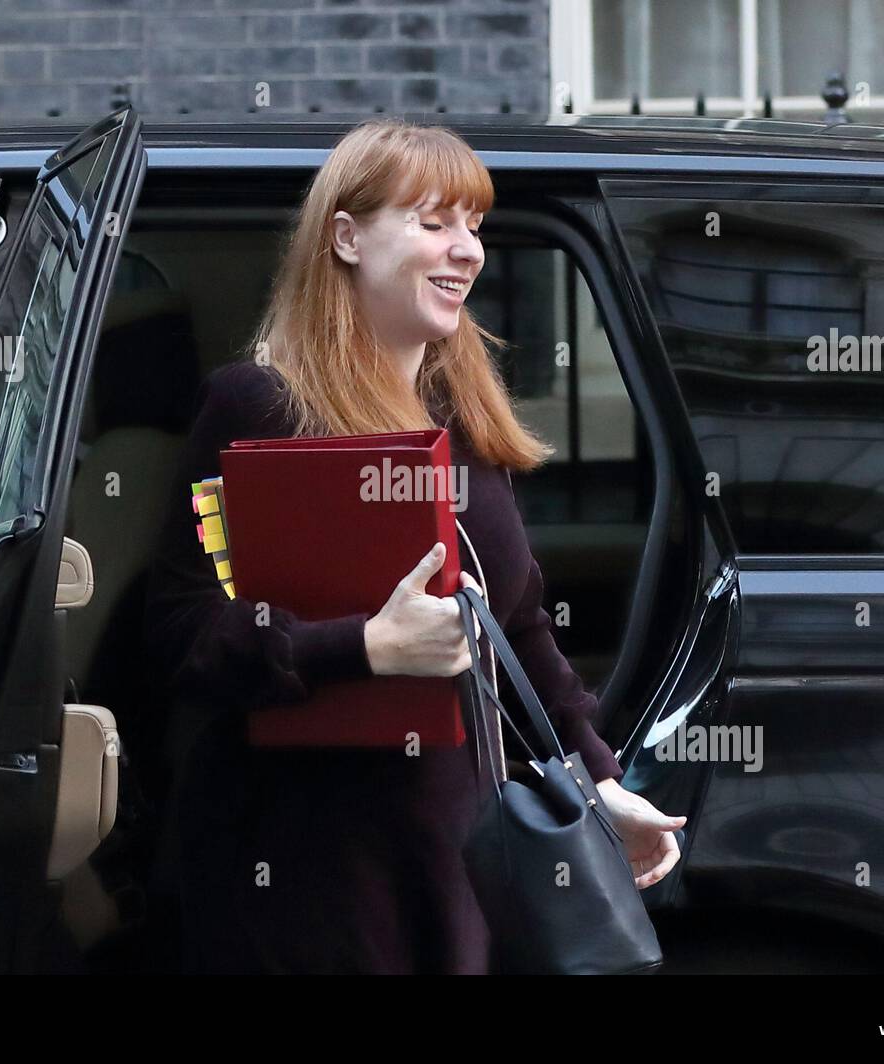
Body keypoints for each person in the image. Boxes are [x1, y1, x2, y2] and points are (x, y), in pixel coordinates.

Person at [142, 117, 685, 975]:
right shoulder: (260, 407)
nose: (466, 249)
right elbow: (178, 632)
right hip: (307, 865)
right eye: (434, 223)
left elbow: (522, 628)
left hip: (453, 846)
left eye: (473, 225)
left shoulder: (463, 420)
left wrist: (600, 786)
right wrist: (362, 647)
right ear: (347, 237)